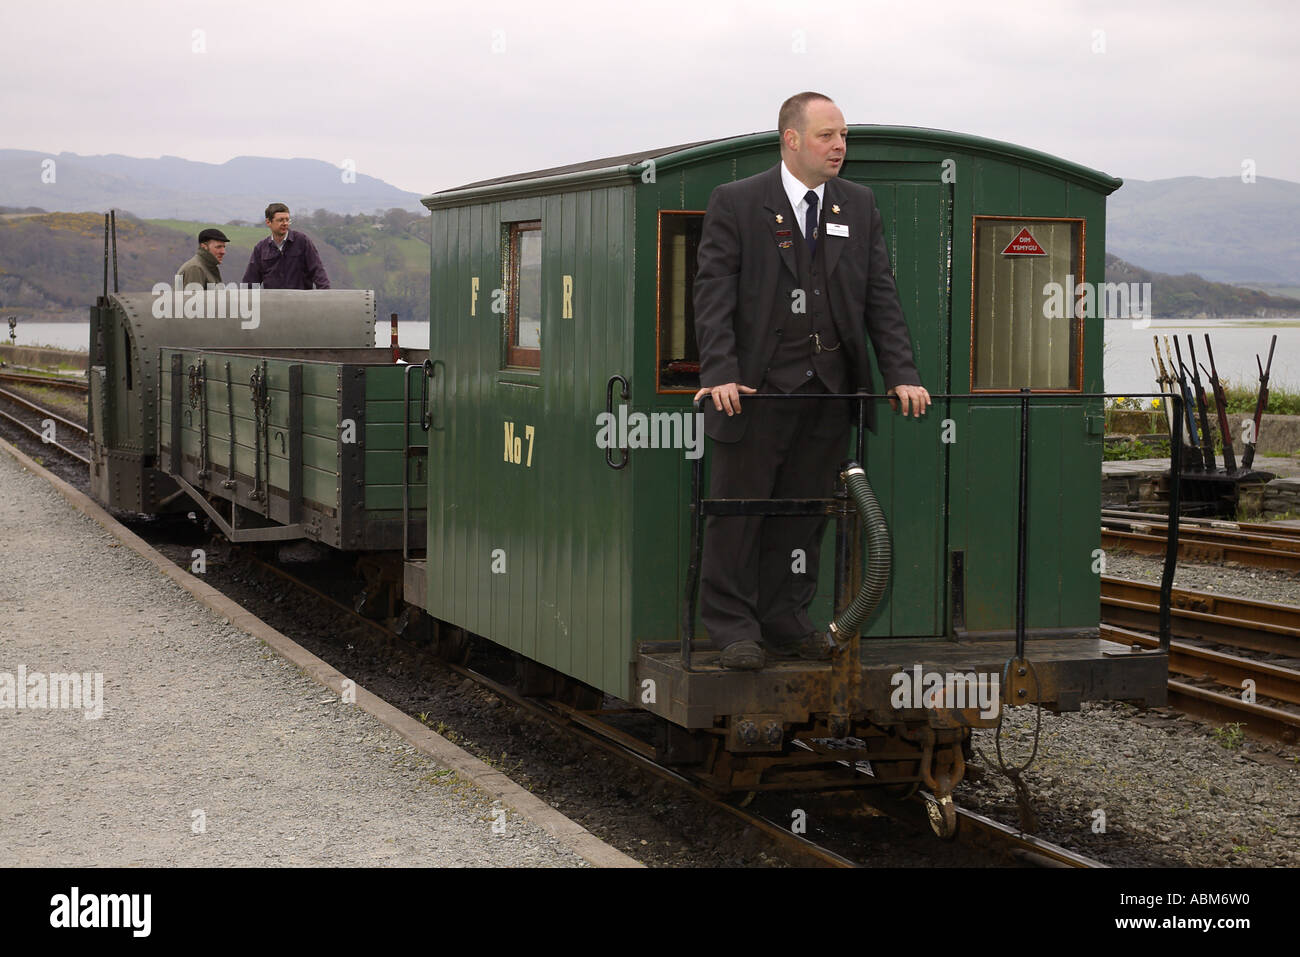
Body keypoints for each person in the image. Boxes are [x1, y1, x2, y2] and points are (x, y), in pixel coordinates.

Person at [692, 91, 931, 671]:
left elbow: (881, 295)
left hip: (829, 392)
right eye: (827, 135)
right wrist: (720, 371)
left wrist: (901, 374)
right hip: (753, 393)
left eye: (843, 136)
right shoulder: (738, 202)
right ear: (792, 139)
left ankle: (784, 621)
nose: (840, 146)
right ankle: (733, 628)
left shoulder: (859, 205)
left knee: (804, 516)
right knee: (740, 513)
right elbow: (712, 292)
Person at [241, 203, 330, 289]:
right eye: (280, 220)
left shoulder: (302, 241)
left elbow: (318, 271)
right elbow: (250, 282)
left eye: (287, 220)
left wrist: (326, 297)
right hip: (273, 302)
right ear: (268, 222)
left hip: (301, 302)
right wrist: (244, 301)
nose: (285, 223)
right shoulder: (260, 249)